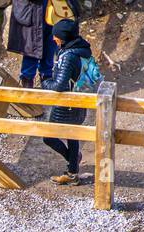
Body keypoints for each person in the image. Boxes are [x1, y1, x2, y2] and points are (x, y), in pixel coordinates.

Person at [41, 18, 93, 185]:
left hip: (67, 105)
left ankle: (73, 160)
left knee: (48, 137)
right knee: (73, 136)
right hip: (79, 101)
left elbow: (59, 85)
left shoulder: (69, 56)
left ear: (63, 37)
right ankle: (72, 173)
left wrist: (44, 81)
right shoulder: (82, 49)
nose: (53, 39)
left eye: (56, 36)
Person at [9, 0, 80, 89]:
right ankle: (27, 80)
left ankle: (46, 78)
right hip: (33, 7)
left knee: (51, 42)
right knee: (32, 44)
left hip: (55, 6)